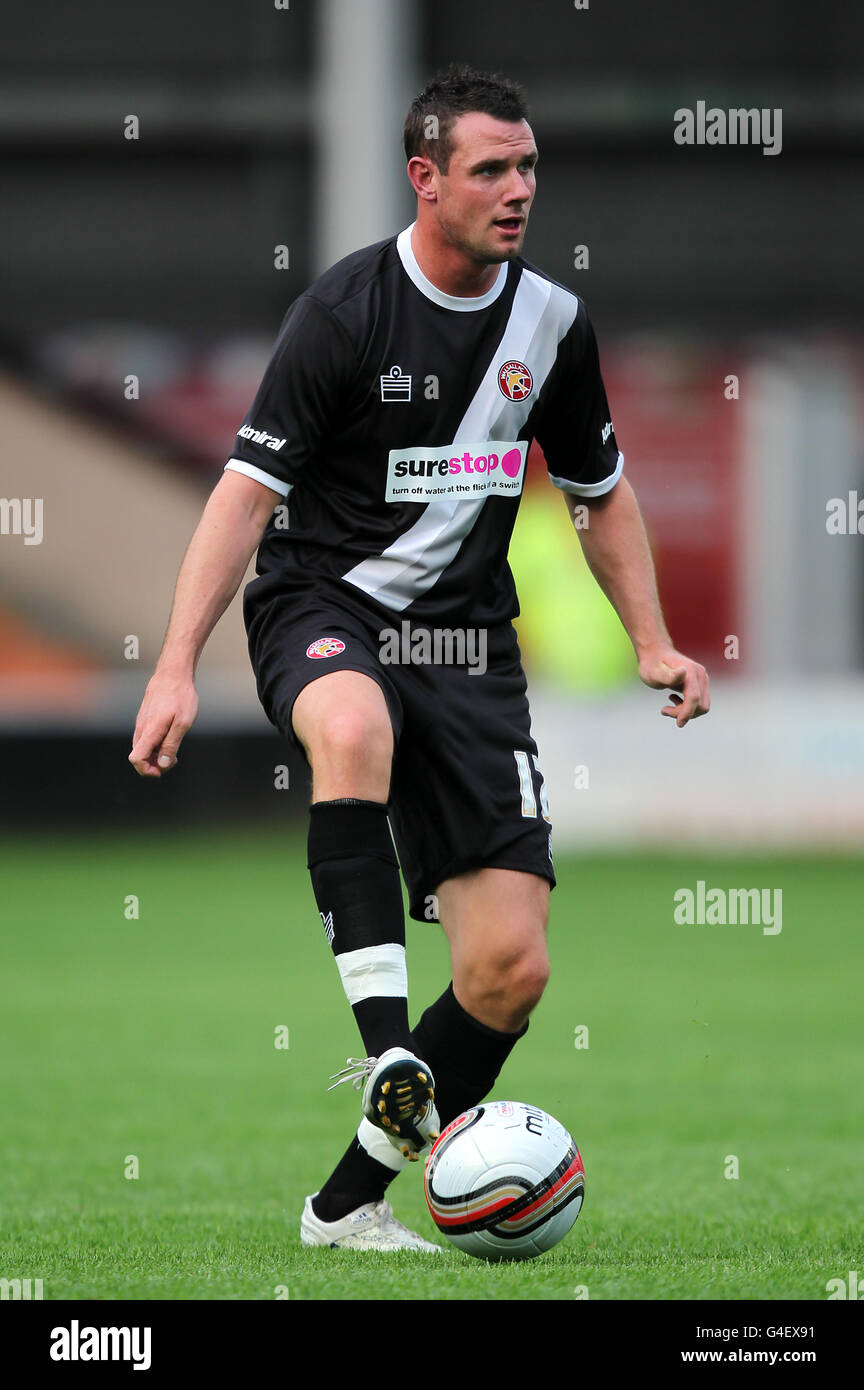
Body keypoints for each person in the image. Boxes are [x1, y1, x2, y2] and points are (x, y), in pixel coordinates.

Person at [129, 65, 710, 1252]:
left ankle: (342, 1207)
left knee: (508, 969)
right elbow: (243, 500)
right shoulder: (343, 313)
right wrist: (175, 661)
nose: (516, 190)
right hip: (323, 602)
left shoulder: (550, 323)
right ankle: (389, 1045)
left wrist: (649, 640)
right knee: (350, 729)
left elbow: (600, 494)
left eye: (528, 167)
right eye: (491, 168)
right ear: (424, 177)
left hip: (466, 649)